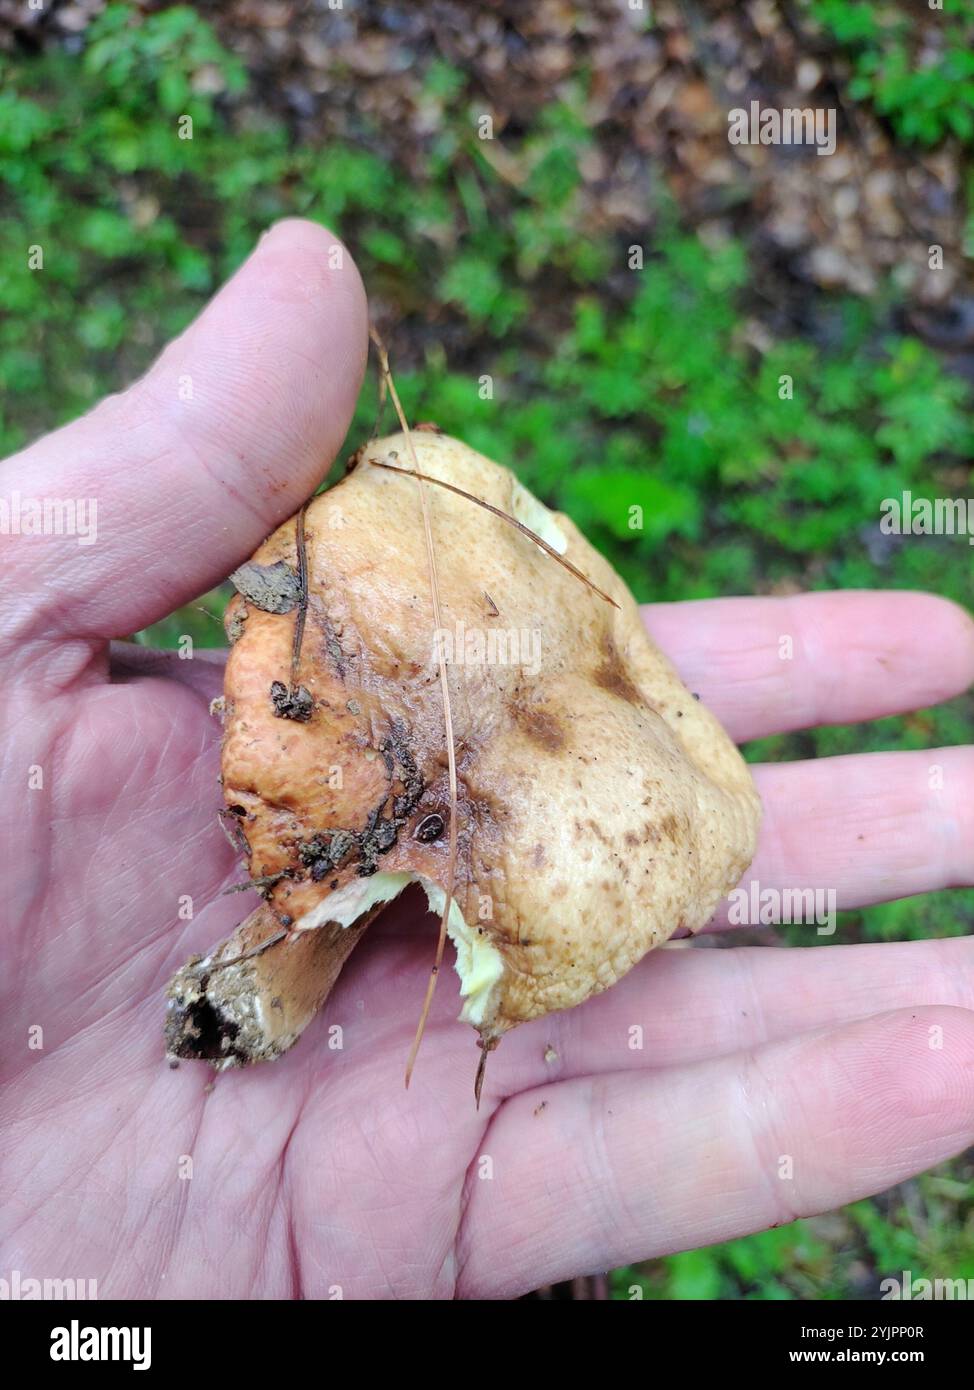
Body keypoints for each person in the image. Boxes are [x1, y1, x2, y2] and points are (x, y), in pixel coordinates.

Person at [1, 220, 971, 1300]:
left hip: (564, 764)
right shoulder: (393, 570)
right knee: (370, 811)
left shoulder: (606, 748)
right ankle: (272, 965)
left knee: (462, 855)